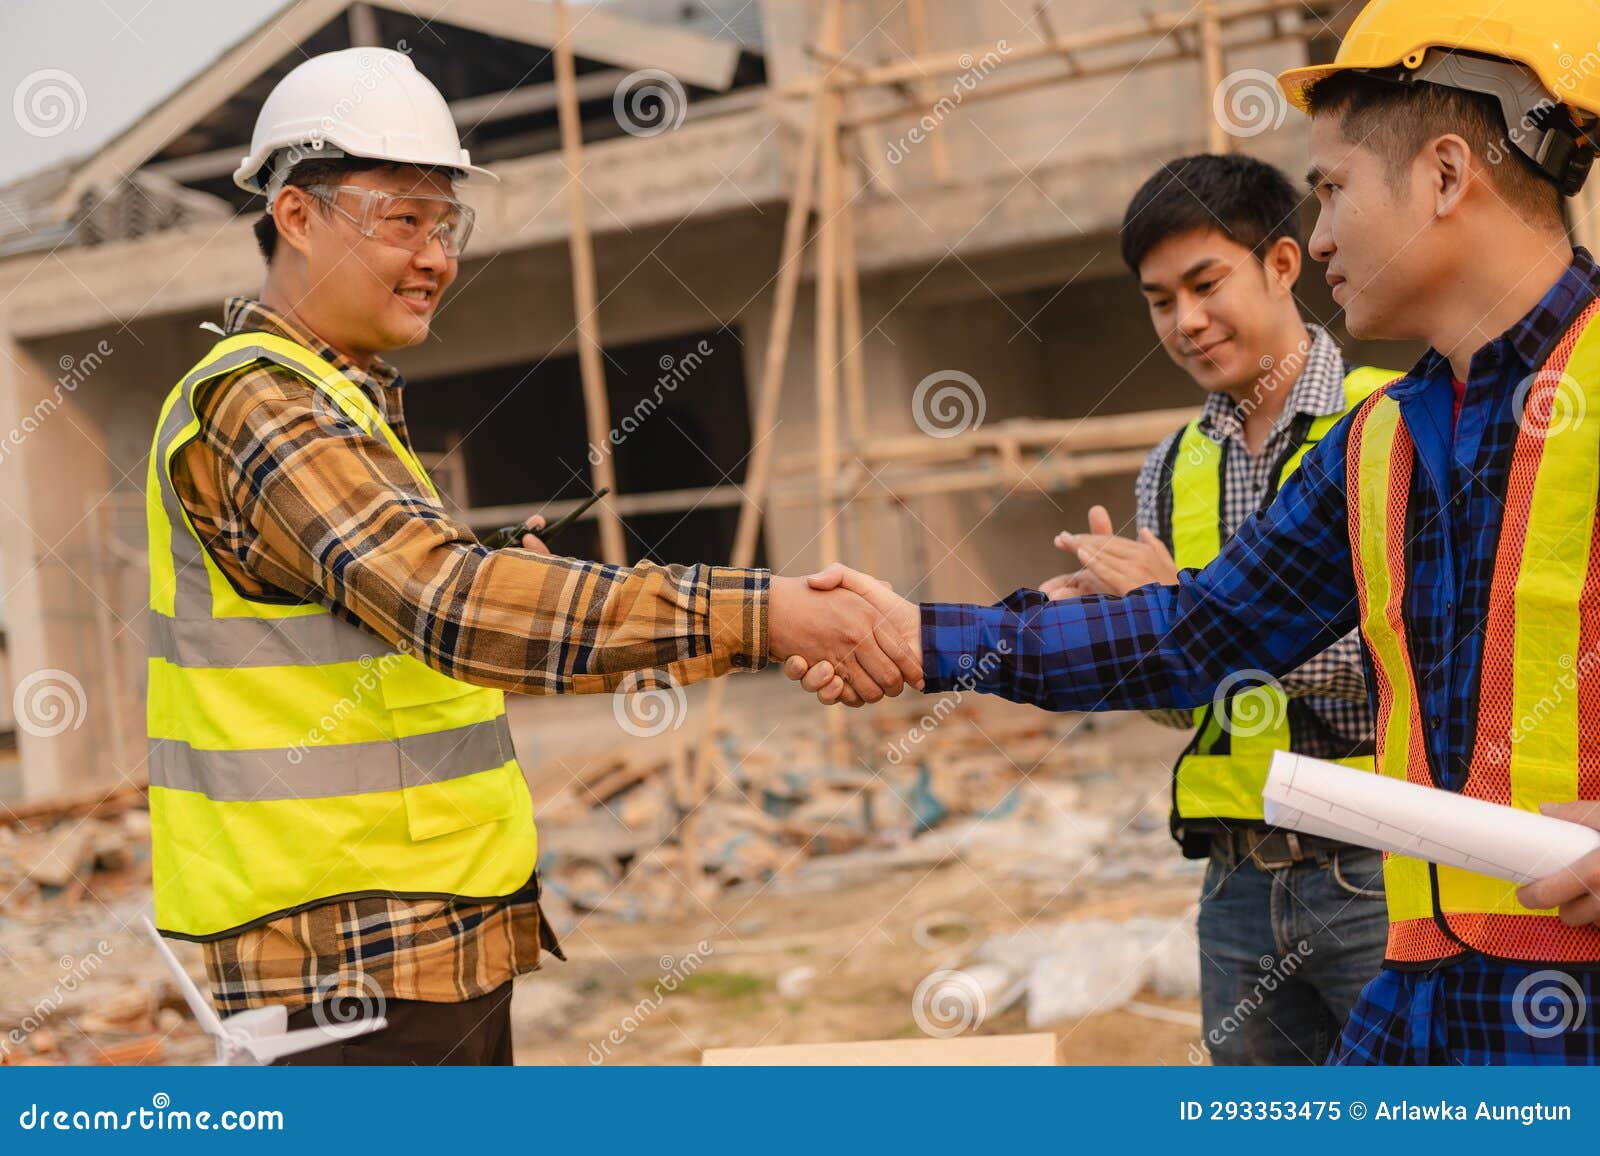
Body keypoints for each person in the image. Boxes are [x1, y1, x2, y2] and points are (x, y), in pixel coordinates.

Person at [789, 0, 1600, 1064]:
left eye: (1333, 189)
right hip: (1428, 993)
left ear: (1447, 176)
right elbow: (1192, 634)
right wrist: (915, 635)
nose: (1320, 236)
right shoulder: (1382, 443)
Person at [147, 47, 919, 1066]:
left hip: (421, 944)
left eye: (446, 225)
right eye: (403, 221)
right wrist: (766, 614)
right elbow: (451, 607)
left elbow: (425, 617)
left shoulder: (339, 404)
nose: (436, 258)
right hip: (348, 967)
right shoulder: (263, 403)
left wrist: (506, 581)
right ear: (295, 214)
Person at [1036, 153, 1395, 1064]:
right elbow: (1179, 700)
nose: (1186, 321)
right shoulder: (1170, 468)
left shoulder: (1387, 423)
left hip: (1380, 872)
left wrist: (1182, 612)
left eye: (1205, 285)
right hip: (1235, 884)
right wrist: (1121, 632)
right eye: (1161, 301)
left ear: (1283, 264)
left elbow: (1414, 650)